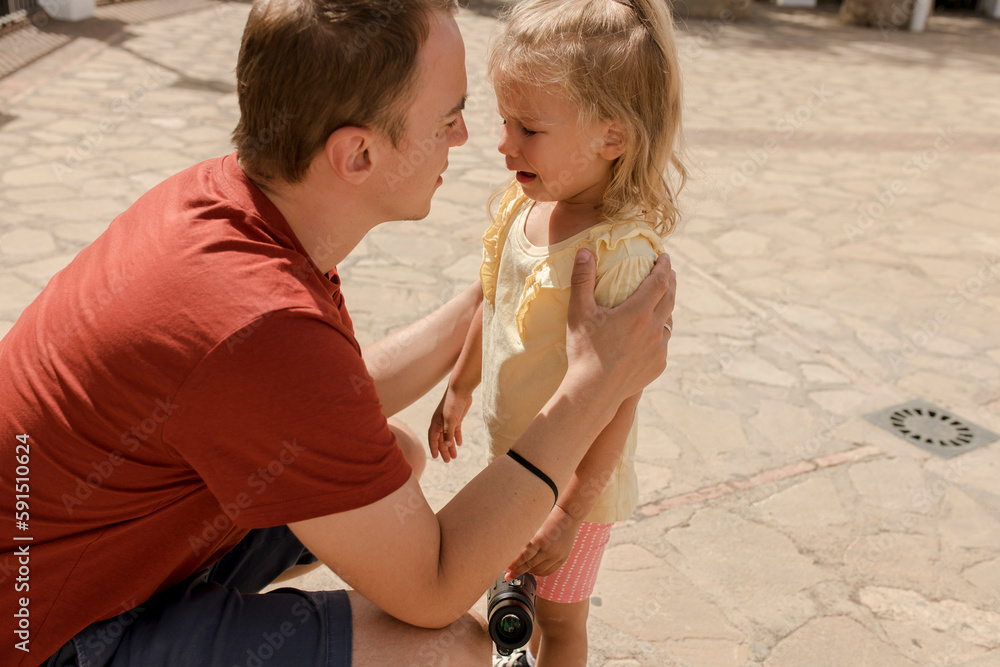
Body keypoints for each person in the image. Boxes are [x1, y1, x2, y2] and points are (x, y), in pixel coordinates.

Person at [0, 1, 676, 666]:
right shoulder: (262, 324)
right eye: (448, 118)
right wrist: (592, 387)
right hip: (43, 633)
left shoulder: (231, 206)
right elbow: (435, 588)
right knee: (452, 649)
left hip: (61, 561)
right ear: (357, 153)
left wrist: (491, 292)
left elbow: (317, 403)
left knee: (397, 455)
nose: (469, 137)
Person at [427, 1, 686, 665]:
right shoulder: (527, 205)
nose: (504, 143)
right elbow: (497, 302)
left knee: (560, 625)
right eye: (504, 120)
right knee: (513, 605)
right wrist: (459, 386)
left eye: (530, 128)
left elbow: (620, 396)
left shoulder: (619, 254)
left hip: (576, 485)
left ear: (612, 136)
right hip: (516, 462)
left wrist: (570, 512)